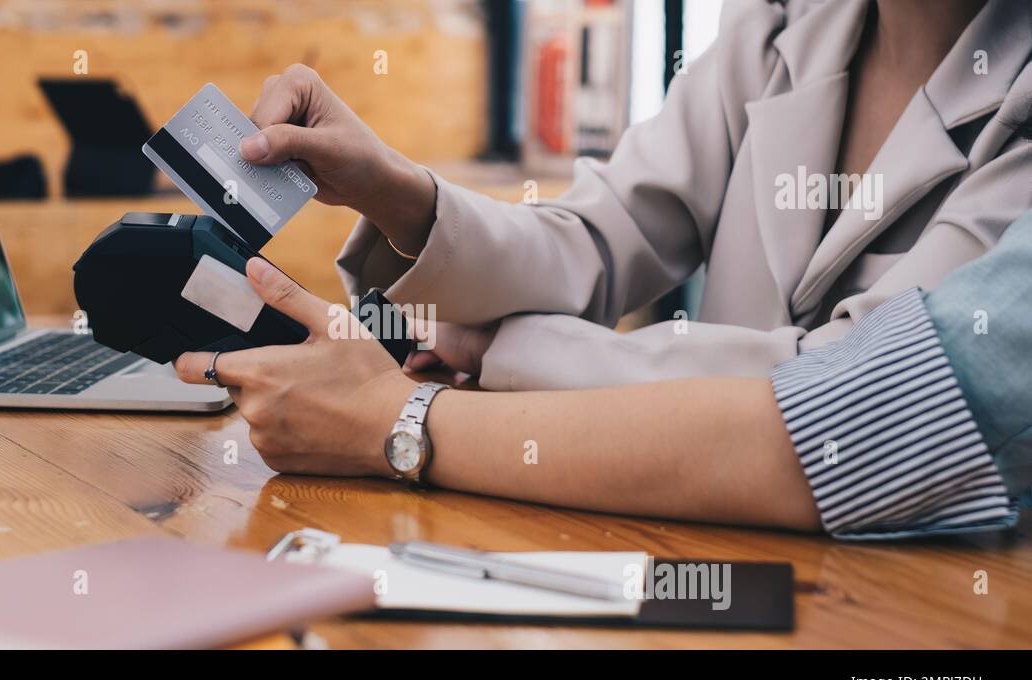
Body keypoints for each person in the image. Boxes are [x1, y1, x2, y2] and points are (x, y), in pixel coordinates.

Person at [172, 0, 1032, 537]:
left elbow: (849, 399)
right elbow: (598, 239)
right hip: (667, 550)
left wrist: (447, 386)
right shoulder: (778, 24)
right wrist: (400, 194)